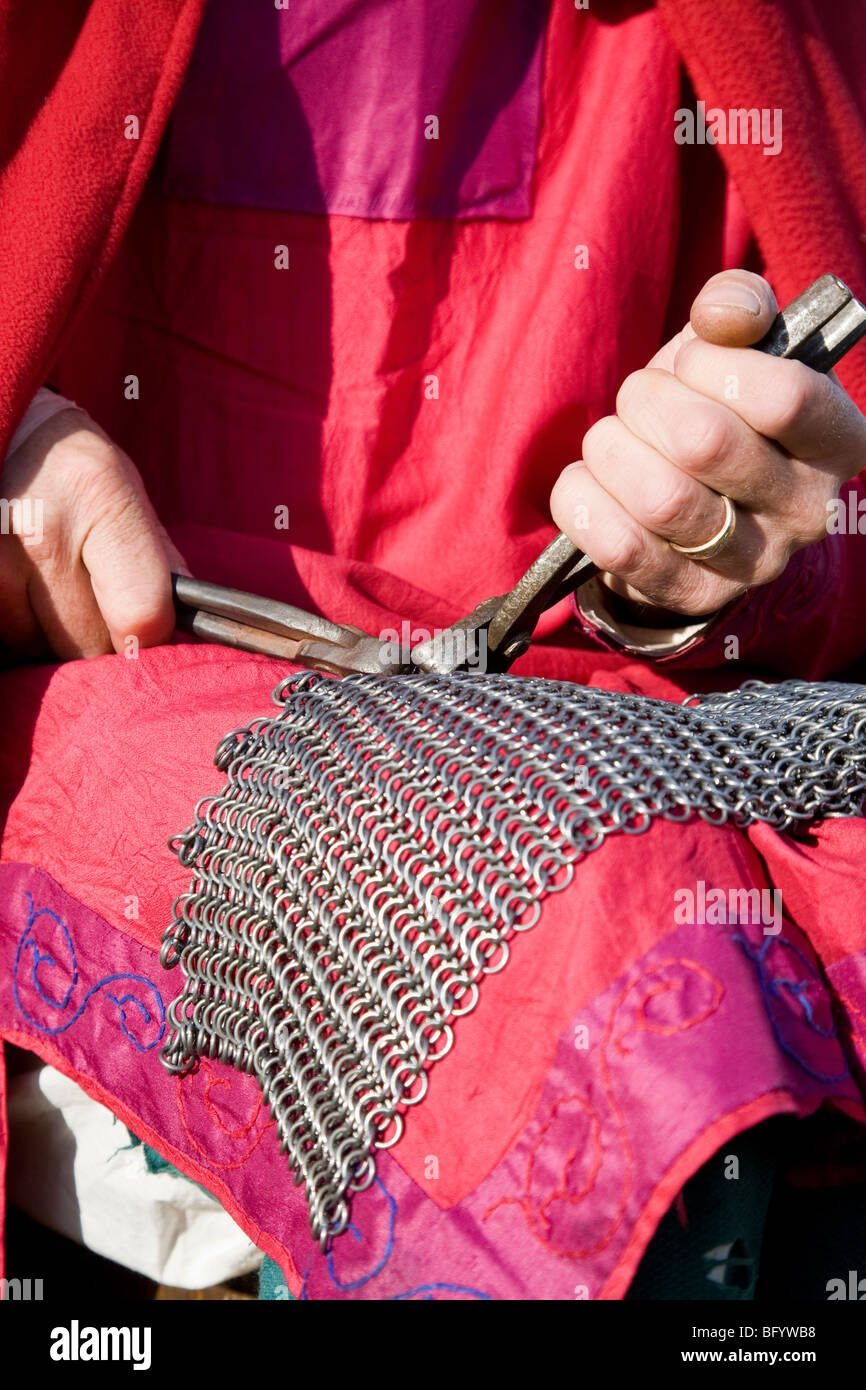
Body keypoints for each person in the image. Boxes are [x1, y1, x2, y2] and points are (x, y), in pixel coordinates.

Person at [0, 0, 864, 1301]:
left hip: (635, 690)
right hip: (116, 672)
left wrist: (734, 542)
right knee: (608, 981)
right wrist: (19, 436)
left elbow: (820, 523)